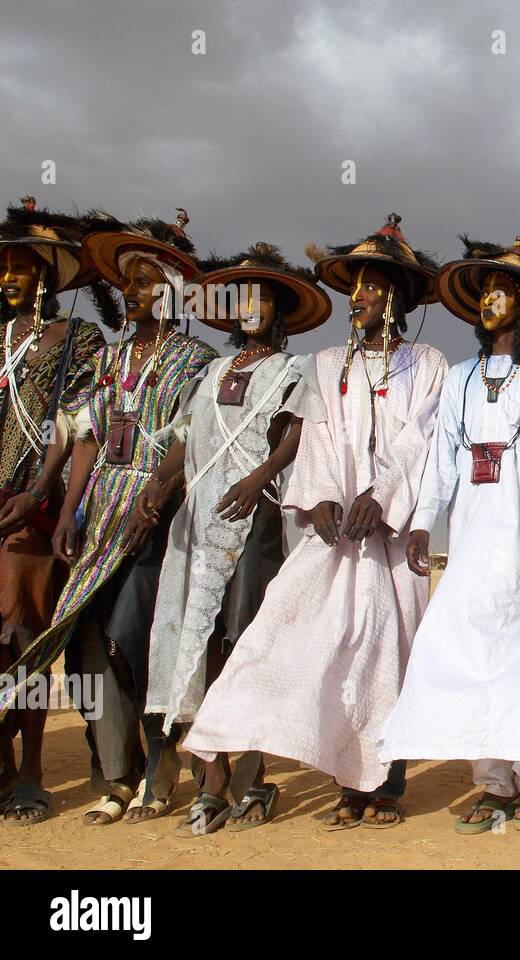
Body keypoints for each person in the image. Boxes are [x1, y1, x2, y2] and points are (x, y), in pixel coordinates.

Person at [184, 214, 447, 829]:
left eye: (373, 286)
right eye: (354, 285)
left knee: (388, 650)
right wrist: (324, 496)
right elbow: (319, 434)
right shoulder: (327, 364)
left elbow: (420, 437)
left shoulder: (428, 363)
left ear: (398, 296)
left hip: (390, 535)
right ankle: (339, 777)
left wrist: (382, 495)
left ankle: (383, 784)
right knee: (309, 641)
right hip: (336, 537)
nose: (359, 296)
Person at [2, 210, 217, 826]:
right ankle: (113, 777)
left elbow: (187, 435)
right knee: (88, 644)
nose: (131, 291)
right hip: (97, 514)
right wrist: (64, 508)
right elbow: (81, 434)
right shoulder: (110, 359)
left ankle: (161, 761)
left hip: (157, 516)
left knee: (137, 633)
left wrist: (155, 494)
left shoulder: (194, 358)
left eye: (146, 281)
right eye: (127, 282)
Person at [378, 235, 520, 833]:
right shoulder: (459, 378)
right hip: (470, 535)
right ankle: (491, 782)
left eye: (507, 291)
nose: (493, 300)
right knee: (470, 648)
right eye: (487, 290)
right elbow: (441, 458)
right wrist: (420, 523)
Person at [141, 243, 330, 833]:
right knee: (195, 638)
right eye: (243, 300)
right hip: (200, 518)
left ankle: (254, 775)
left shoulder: (293, 372)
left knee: (242, 635)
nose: (251, 308)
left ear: (280, 315)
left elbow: (296, 435)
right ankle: (211, 774)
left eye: (264, 300)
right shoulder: (211, 372)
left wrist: (260, 477)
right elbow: (186, 436)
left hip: (257, 515)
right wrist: (161, 481)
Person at [0, 198, 106, 824]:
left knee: (24, 637)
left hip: (33, 509)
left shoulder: (80, 340)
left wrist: (40, 493)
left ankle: (33, 771)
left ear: (46, 273)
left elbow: (78, 428)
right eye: (3, 266)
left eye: (21, 266)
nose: (9, 277)